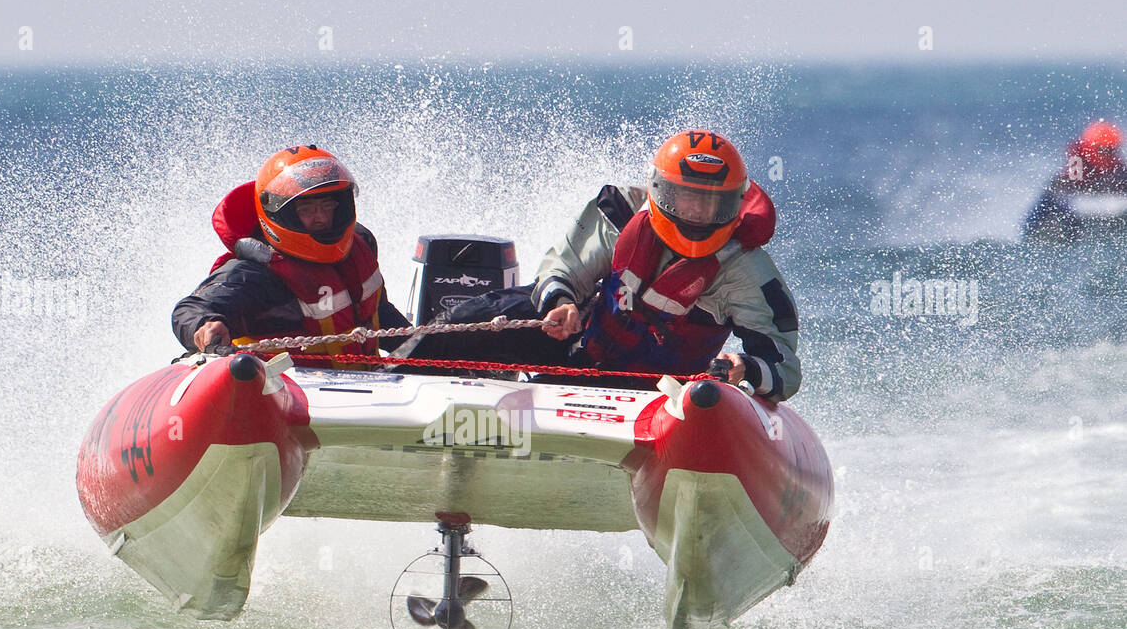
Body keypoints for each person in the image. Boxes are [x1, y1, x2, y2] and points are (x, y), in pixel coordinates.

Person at [400, 130, 802, 400]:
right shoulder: (618, 210)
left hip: (658, 394)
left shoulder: (748, 271)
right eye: (685, 198)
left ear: (733, 204)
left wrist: (744, 366)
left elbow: (784, 367)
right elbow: (562, 268)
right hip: (577, 346)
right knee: (473, 319)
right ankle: (394, 383)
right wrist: (561, 302)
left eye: (711, 202)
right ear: (659, 191)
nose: (697, 213)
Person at [172, 146, 411, 357]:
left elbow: (378, 315)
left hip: (372, 387)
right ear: (279, 214)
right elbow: (189, 309)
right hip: (287, 397)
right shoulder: (254, 272)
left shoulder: (361, 244)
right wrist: (204, 326)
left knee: (449, 322)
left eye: (327, 206)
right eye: (307, 209)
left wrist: (431, 348)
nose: (321, 218)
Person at [1058, 120, 1127, 191]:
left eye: (1112, 150)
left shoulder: (1117, 166)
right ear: (1090, 147)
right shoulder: (1078, 161)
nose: (1107, 154)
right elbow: (1070, 185)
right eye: (1102, 149)